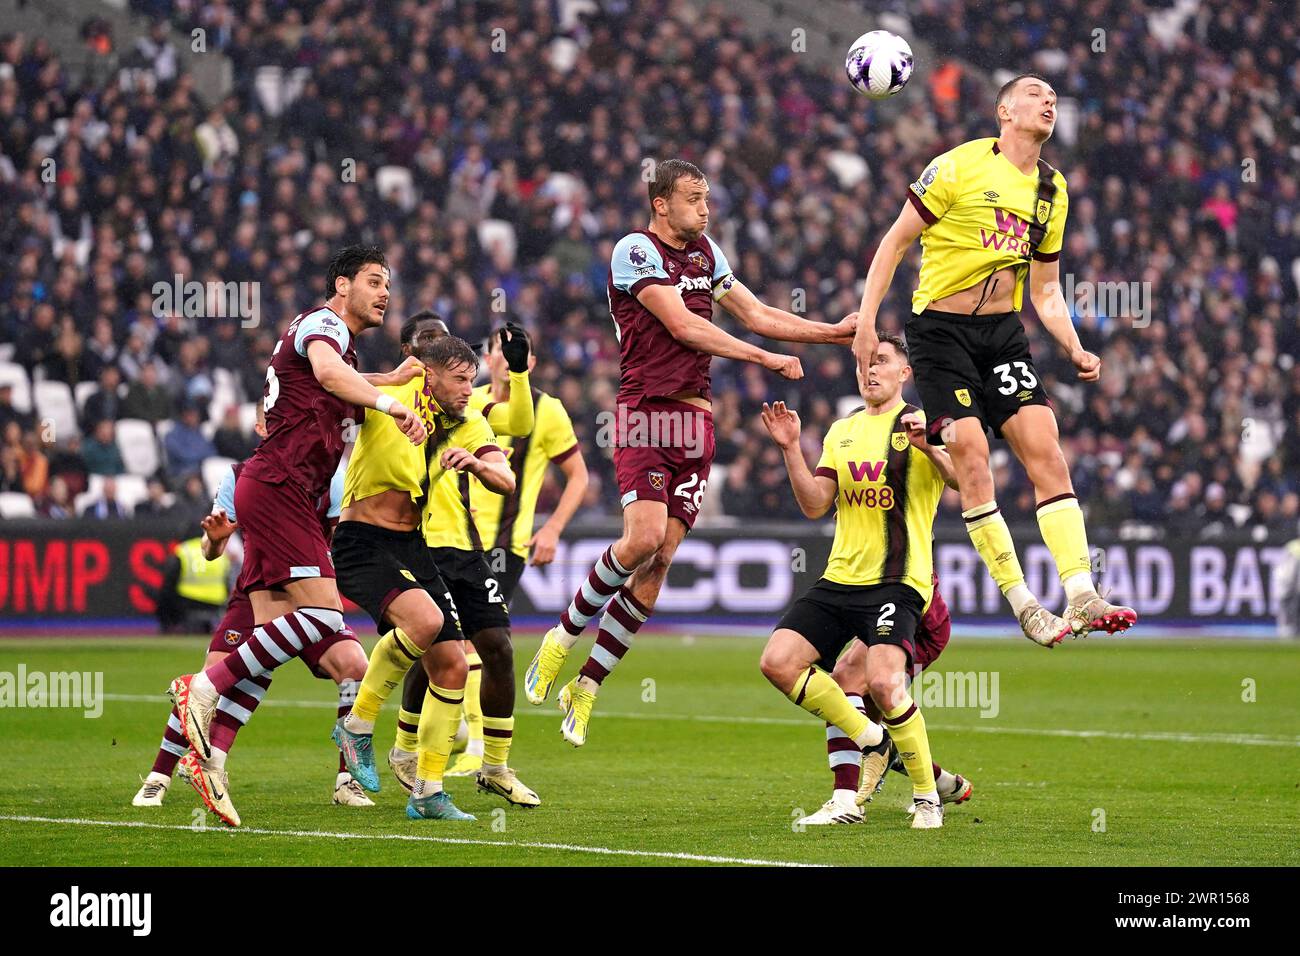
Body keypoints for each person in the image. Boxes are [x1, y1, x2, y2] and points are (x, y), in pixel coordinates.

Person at [525, 158, 855, 746]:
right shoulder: (635, 251)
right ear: (661, 203)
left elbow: (755, 314)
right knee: (642, 538)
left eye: (707, 199)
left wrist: (832, 331)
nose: (704, 209)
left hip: (695, 425)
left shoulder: (708, 255)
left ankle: (588, 686)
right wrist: (761, 358)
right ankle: (562, 637)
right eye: (693, 198)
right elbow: (681, 326)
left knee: (659, 564)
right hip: (645, 415)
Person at [851, 73, 1135, 647]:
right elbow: (895, 242)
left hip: (1001, 334)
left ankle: (1080, 594)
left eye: (1054, 95)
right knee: (971, 453)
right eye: (1035, 93)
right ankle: (1024, 603)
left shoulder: (1053, 191)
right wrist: (864, 322)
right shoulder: (957, 166)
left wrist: (1073, 345)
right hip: (940, 334)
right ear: (1004, 111)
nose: (1048, 100)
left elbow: (1047, 290)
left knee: (1045, 446)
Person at [166, 244, 427, 825]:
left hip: (285, 495)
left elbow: (338, 383)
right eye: (374, 281)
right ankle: (201, 692)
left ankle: (210, 762)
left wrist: (392, 378)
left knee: (339, 658)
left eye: (388, 283)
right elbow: (334, 374)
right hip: (279, 484)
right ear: (342, 285)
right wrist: (392, 402)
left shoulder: (337, 345)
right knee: (325, 614)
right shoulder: (322, 324)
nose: (385, 293)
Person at [758, 335, 958, 829]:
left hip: (896, 580)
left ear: (904, 373)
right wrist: (790, 449)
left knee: (885, 684)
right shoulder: (841, 431)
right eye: (866, 363)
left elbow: (964, 482)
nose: (871, 370)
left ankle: (927, 798)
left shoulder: (922, 422)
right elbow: (813, 503)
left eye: (882, 361)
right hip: (841, 578)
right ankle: (867, 746)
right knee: (777, 662)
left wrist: (928, 446)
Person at [330, 332, 518, 821]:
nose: (467, 390)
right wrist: (389, 383)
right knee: (424, 622)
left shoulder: (467, 420)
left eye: (472, 381)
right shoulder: (392, 395)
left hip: (414, 545)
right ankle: (358, 725)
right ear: (427, 373)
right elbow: (328, 383)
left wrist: (477, 464)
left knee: (453, 666)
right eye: (458, 380)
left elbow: (506, 479)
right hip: (363, 539)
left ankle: (428, 792)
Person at [436, 324, 588, 778]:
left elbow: (578, 476)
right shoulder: (470, 401)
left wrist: (553, 529)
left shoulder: (547, 410)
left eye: (512, 351)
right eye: (494, 351)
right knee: (444, 640)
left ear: (530, 362)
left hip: (506, 544)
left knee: (477, 639)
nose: (501, 357)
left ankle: (479, 746)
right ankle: (460, 734)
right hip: (455, 538)